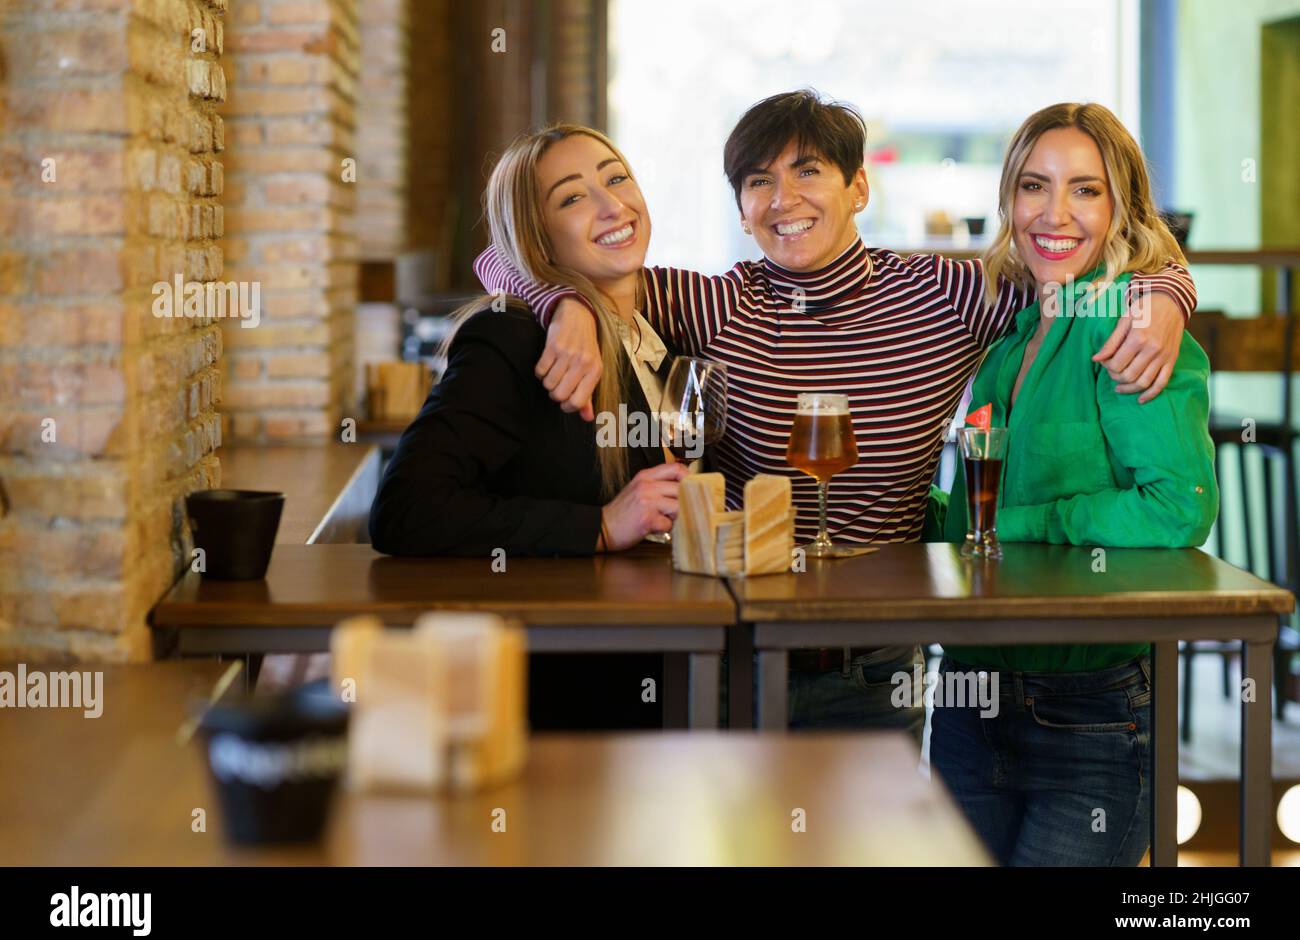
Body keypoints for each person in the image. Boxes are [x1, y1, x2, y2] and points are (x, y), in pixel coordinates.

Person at [472, 90, 1198, 738]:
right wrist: (560, 303)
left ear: (858, 187)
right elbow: (501, 259)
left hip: (876, 666)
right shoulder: (709, 303)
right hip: (733, 650)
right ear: (741, 207)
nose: (784, 199)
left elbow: (1076, 260)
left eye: (808, 171)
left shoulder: (945, 295)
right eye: (760, 181)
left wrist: (1166, 294)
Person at [926, 102, 1217, 866]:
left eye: (1085, 190)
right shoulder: (1017, 329)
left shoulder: (1127, 323)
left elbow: (1176, 509)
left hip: (1090, 705)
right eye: (1033, 186)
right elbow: (974, 511)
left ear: (1123, 205)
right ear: (1007, 201)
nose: (1054, 214)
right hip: (970, 692)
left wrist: (1028, 523)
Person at [370, 124, 689, 729]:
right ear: (539, 239)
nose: (611, 205)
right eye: (572, 197)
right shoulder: (513, 337)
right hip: (562, 694)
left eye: (616, 178)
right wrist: (597, 527)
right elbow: (406, 509)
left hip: (661, 664)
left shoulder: (661, 329)